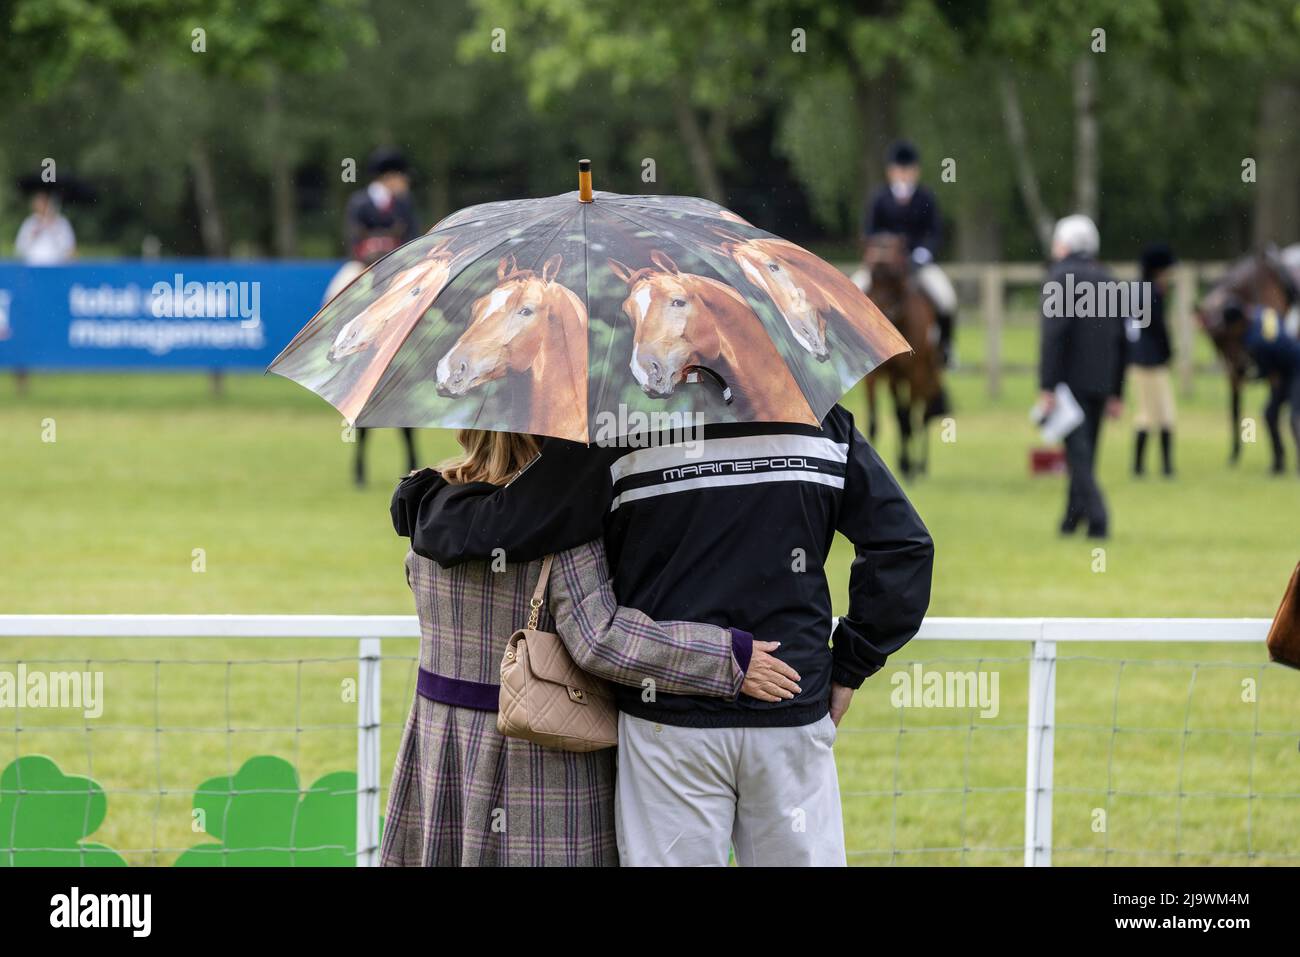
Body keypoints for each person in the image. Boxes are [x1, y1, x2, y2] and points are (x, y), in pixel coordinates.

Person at [392, 407, 934, 866]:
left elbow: (518, 516)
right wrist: (850, 665)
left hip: (652, 729)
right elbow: (904, 545)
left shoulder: (621, 425)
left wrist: (420, 500)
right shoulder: (822, 419)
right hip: (788, 706)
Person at [1038, 214, 1126, 539]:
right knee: (1087, 453)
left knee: (1079, 456)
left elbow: (1054, 336)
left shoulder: (1058, 278)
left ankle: (1099, 520)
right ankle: (1072, 519)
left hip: (1068, 383)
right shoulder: (1109, 279)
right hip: (1102, 381)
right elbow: (1121, 338)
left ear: (1065, 244)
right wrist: (1117, 391)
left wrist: (1047, 386)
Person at [344, 148, 423, 486]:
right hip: (366, 277)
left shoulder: (405, 206)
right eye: (400, 176)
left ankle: (412, 459)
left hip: (398, 285)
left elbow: (416, 242)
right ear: (389, 176)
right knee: (339, 291)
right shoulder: (360, 203)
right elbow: (352, 241)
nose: (404, 182)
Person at [866, 140, 958, 366]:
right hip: (884, 267)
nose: (904, 174)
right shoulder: (879, 198)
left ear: (916, 171)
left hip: (918, 264)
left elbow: (935, 232)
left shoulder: (926, 197)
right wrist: (882, 253)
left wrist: (924, 252)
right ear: (891, 171)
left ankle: (945, 348)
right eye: (899, 169)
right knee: (853, 292)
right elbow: (869, 231)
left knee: (947, 298)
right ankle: (855, 350)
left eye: (908, 170)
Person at [1127, 244, 1177, 477]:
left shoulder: (1136, 290)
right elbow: (1158, 328)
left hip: (1138, 357)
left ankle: (1142, 466)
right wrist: (1168, 353)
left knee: (1149, 411)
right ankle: (1161, 467)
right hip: (1152, 359)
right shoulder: (1153, 294)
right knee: (1158, 413)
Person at [15, 183, 76, 266]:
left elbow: (70, 249)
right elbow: (19, 248)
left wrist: (53, 230)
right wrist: (33, 235)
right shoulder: (29, 223)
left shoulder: (62, 223)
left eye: (44, 202)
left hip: (57, 266)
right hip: (33, 267)